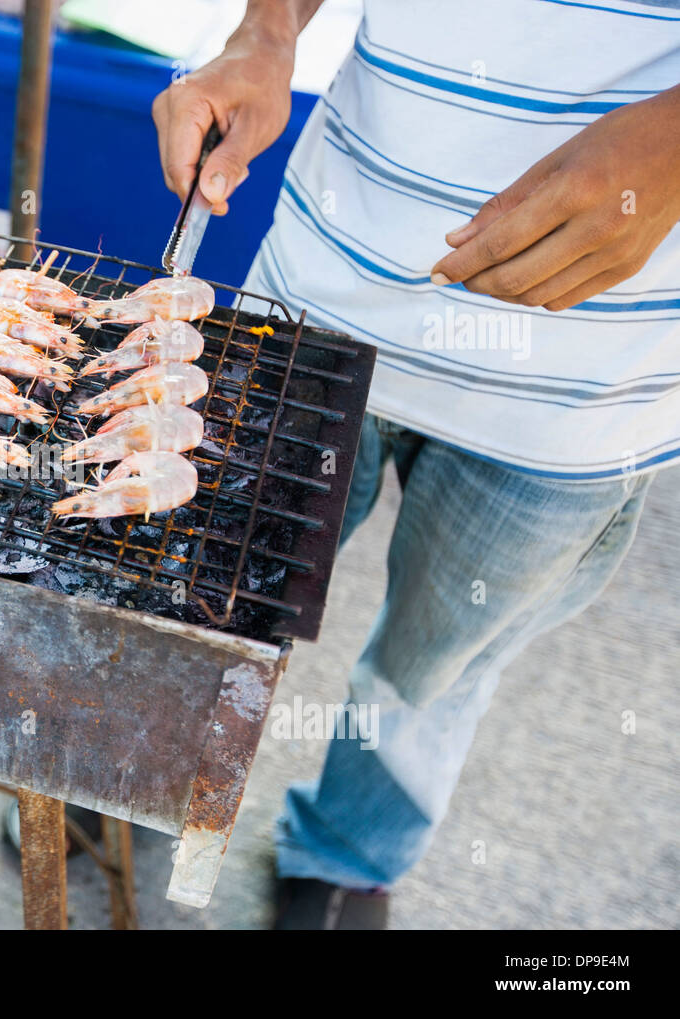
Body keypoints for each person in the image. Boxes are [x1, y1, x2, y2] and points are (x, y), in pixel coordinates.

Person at [152, 0, 680, 929]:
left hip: (579, 385)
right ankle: (129, 780)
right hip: (323, 293)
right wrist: (268, 31)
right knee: (203, 593)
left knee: (433, 663)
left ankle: (348, 855)